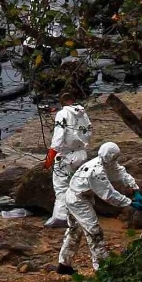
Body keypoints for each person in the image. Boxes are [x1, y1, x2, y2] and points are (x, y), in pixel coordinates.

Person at [57, 142, 141, 276]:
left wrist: (134, 187)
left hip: (78, 196)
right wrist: (130, 202)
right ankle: (102, 268)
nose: (115, 161)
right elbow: (108, 194)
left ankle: (64, 264)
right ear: (109, 157)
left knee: (74, 231)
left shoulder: (106, 163)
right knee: (94, 232)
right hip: (78, 200)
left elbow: (120, 172)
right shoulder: (96, 172)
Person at [45, 91, 93, 229]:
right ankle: (79, 215)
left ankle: (61, 217)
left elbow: (58, 138)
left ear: (62, 102)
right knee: (78, 187)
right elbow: (89, 132)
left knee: (61, 187)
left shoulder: (62, 114)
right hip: (81, 154)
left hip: (66, 156)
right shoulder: (83, 114)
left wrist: (49, 158)